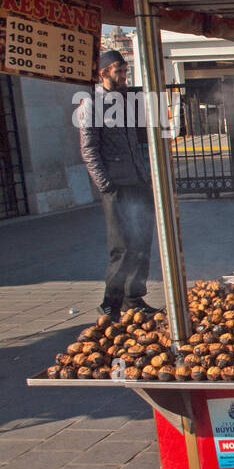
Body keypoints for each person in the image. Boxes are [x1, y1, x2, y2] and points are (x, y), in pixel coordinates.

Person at [79, 50, 155, 319]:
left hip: (137, 180)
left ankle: (133, 298)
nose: (124, 76)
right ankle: (110, 304)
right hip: (116, 186)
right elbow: (89, 149)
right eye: (118, 71)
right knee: (121, 246)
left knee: (142, 241)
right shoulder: (91, 104)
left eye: (125, 71)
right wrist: (105, 184)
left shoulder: (127, 101)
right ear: (103, 74)